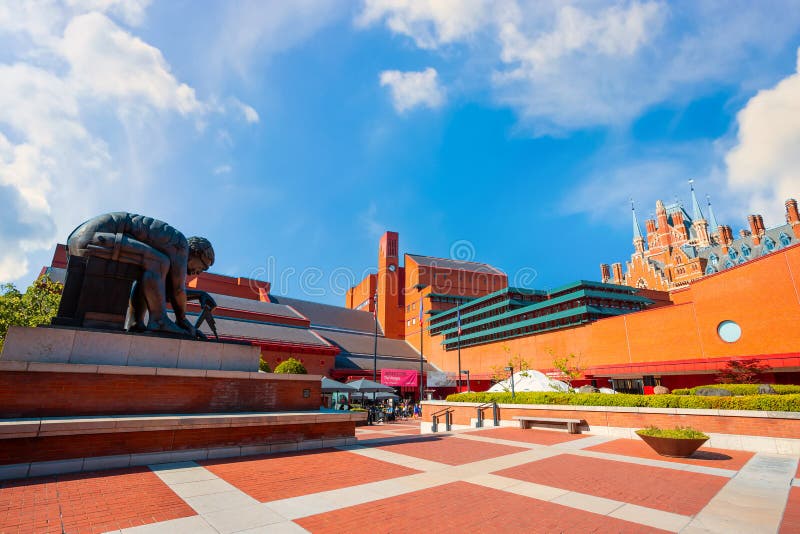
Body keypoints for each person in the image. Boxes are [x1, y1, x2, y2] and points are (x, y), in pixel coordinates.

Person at [67, 212, 215, 337]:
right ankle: (159, 321)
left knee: (150, 270)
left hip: (82, 239)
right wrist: (183, 320)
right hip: (92, 237)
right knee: (158, 262)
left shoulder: (169, 248)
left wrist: (198, 295)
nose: (198, 273)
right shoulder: (181, 245)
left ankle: (135, 322)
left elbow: (160, 290)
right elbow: (177, 290)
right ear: (195, 252)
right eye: (202, 267)